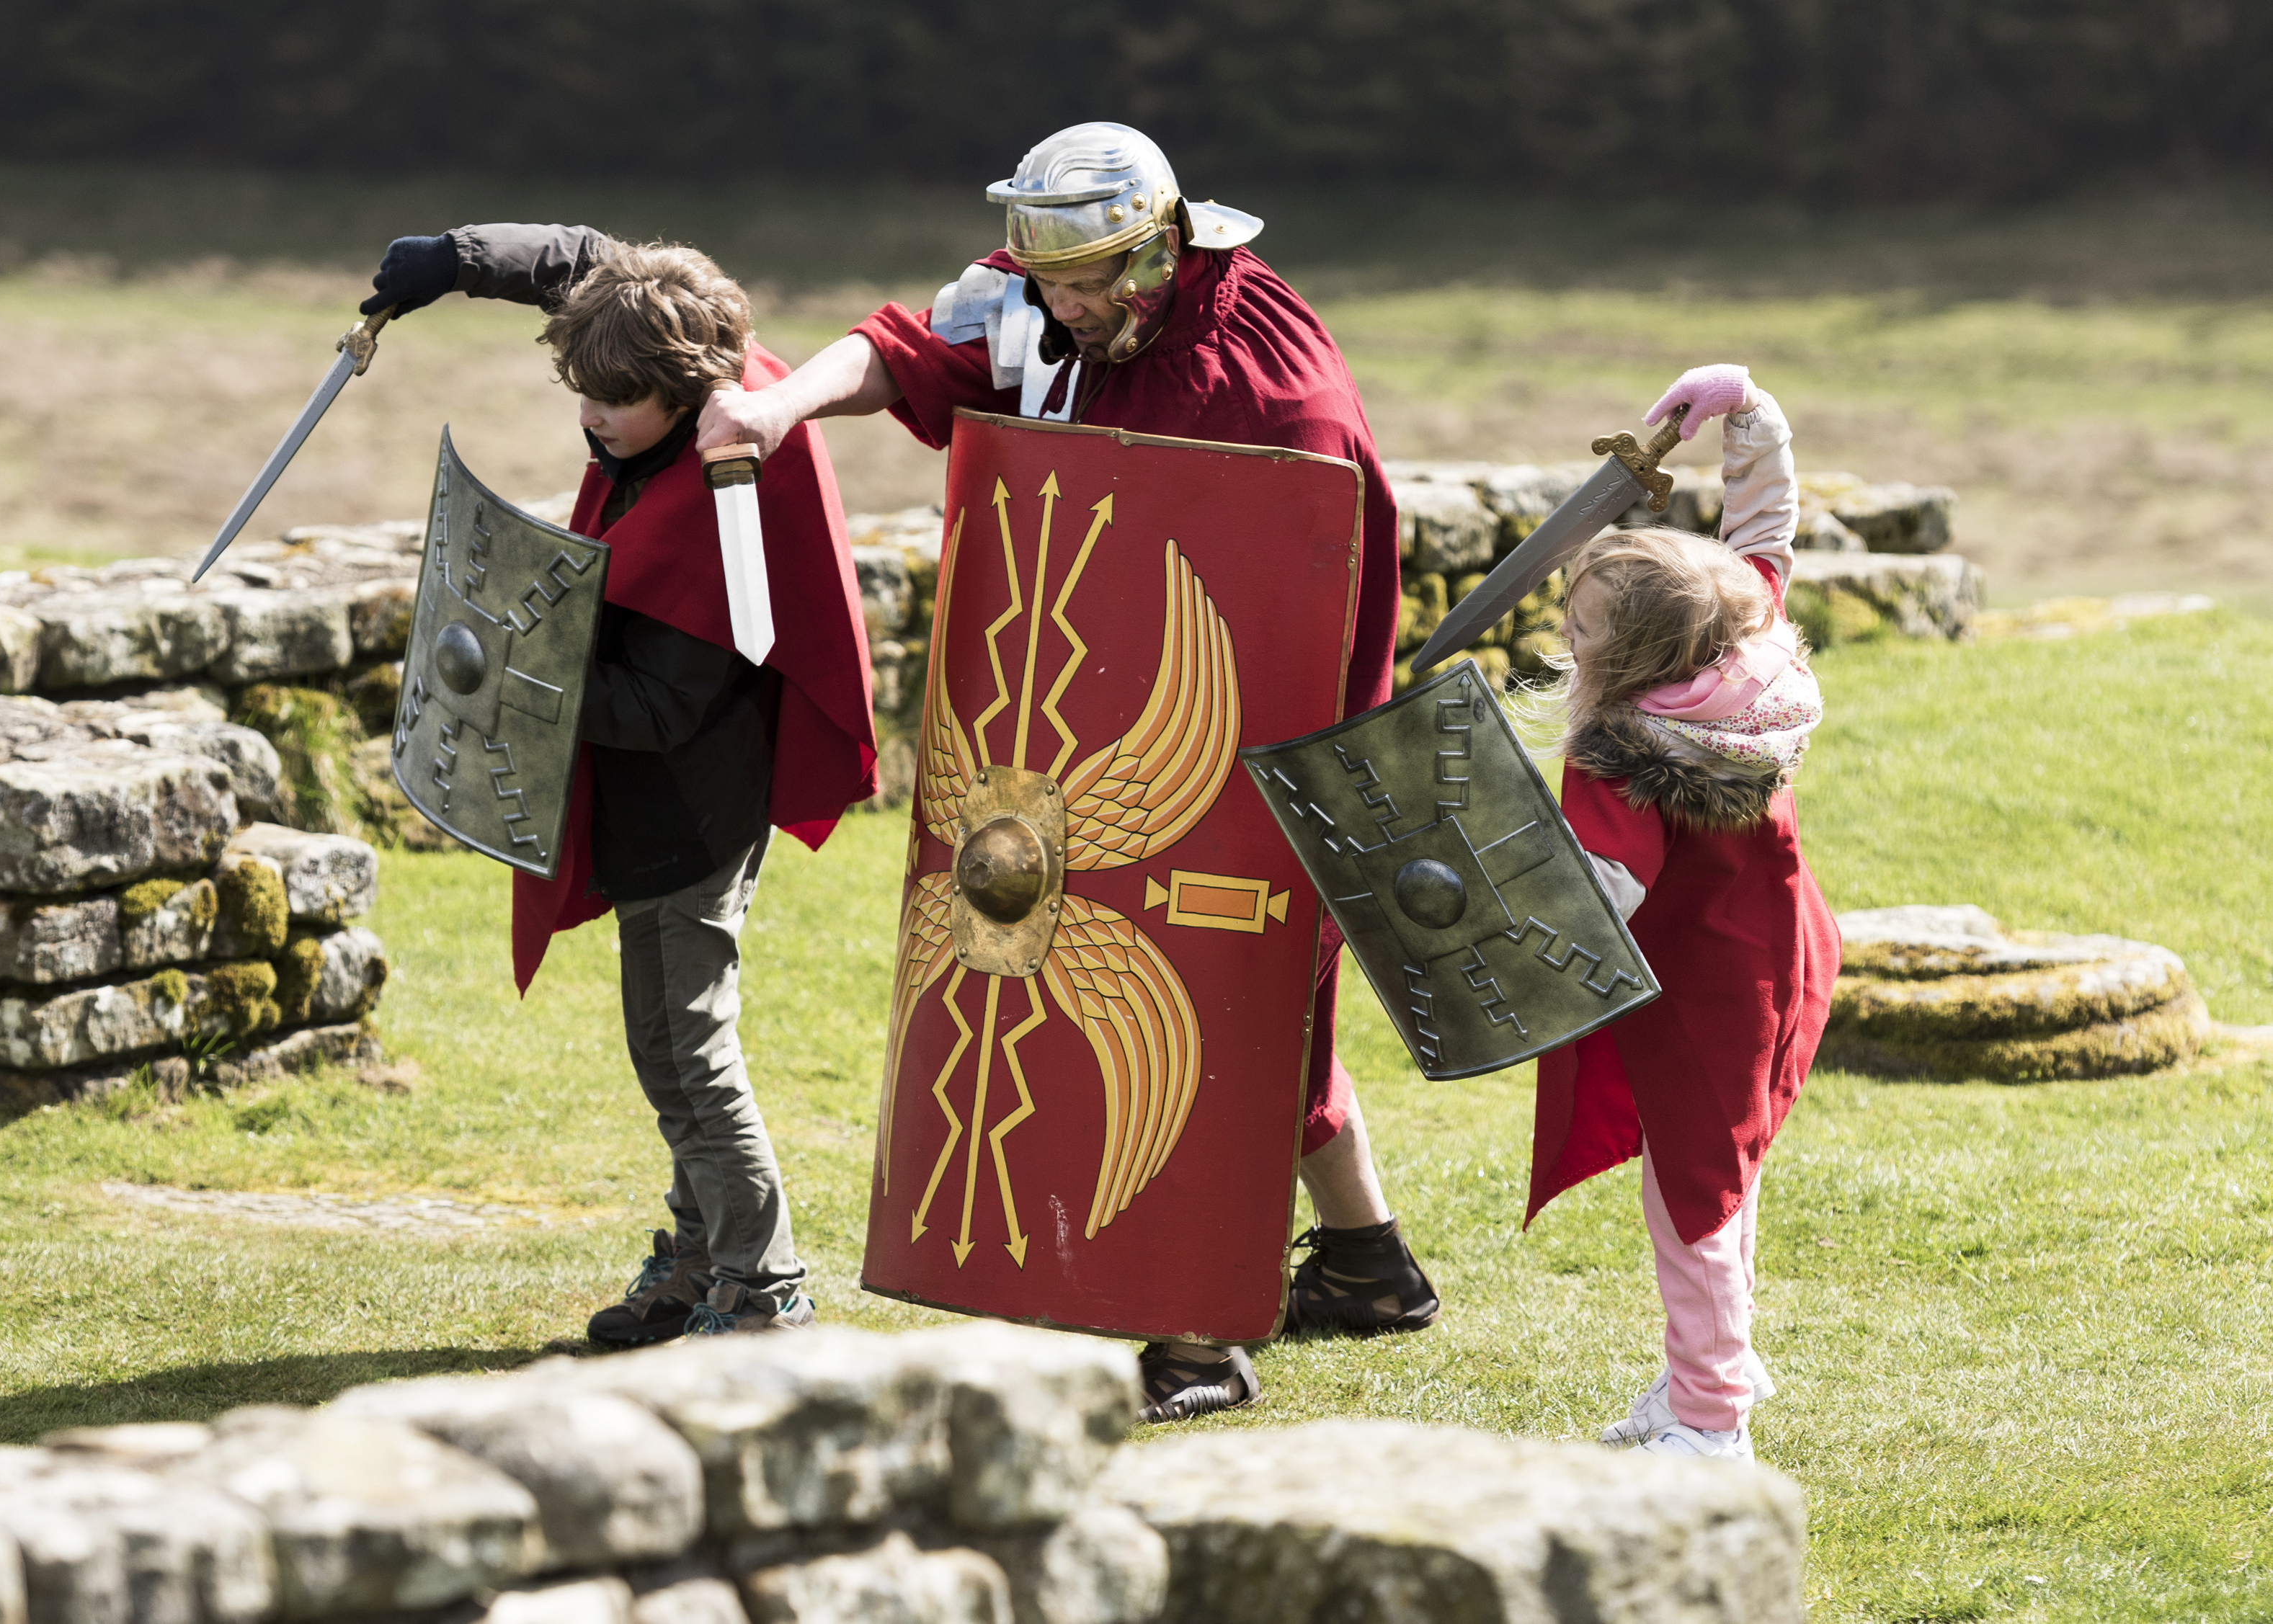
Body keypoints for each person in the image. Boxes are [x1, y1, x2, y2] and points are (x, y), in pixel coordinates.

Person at [693, 122, 1439, 1421]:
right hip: (1076, 727)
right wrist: (776, 403)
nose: (1068, 303)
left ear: (1159, 249)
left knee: (1224, 1010)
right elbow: (906, 351)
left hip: (1253, 747)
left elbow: (1299, 595)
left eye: (1092, 280)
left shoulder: (1271, 391)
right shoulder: (1045, 301)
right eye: (1054, 278)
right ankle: (1371, 1265)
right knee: (1241, 1011)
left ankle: (1194, 1338)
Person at [359, 229, 878, 1342]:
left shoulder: (718, 499)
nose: (591, 420)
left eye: (613, 403)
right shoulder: (661, 352)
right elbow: (592, 263)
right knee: (667, 1042)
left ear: (686, 392)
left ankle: (764, 1279)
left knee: (689, 1044)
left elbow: (656, 708)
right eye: (581, 394)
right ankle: (702, 1263)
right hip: (659, 812)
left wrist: (514, 672)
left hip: (694, 813)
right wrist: (455, 260)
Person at [1518, 362, 1841, 1460]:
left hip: (1702, 1004)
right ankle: (1706, 1377)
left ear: (1632, 658)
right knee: (1728, 1183)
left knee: (1693, 1208)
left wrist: (1491, 920)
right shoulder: (1742, 648)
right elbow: (1766, 519)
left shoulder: (1625, 752)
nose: (1570, 638)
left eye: (1585, 628)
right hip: (1783, 963)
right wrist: (1745, 411)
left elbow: (1595, 897)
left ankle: (1712, 1425)